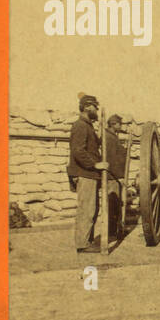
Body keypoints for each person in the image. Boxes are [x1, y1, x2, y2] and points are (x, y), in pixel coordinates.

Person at [67, 94, 107, 252]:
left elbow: (90, 146)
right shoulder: (80, 126)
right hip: (85, 173)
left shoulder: (88, 126)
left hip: (89, 174)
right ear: (86, 107)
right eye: (94, 107)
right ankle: (82, 245)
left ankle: (87, 242)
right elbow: (78, 151)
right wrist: (95, 164)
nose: (96, 109)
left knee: (92, 209)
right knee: (87, 209)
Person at [104, 114, 128, 239]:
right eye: (120, 124)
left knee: (114, 203)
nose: (121, 126)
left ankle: (113, 230)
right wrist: (119, 176)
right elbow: (112, 158)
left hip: (113, 176)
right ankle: (112, 231)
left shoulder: (112, 137)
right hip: (112, 176)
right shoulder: (110, 138)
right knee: (113, 204)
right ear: (114, 124)